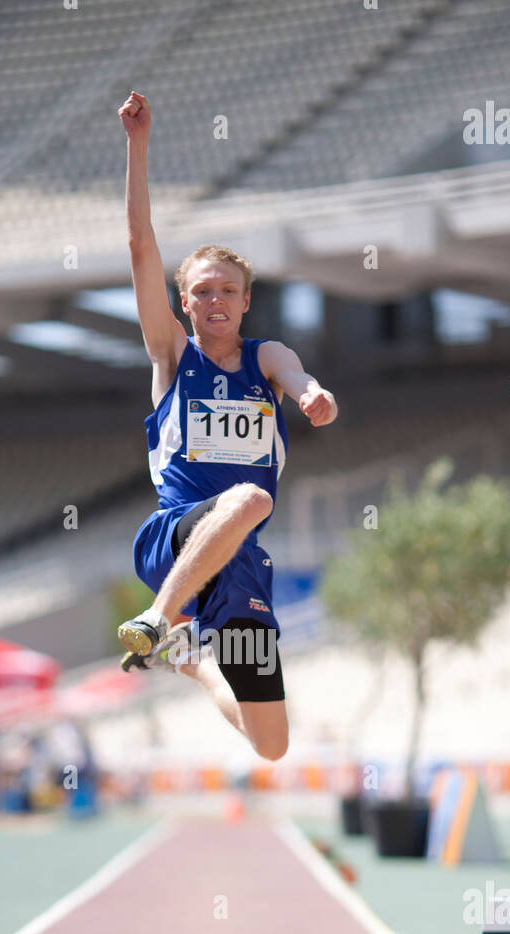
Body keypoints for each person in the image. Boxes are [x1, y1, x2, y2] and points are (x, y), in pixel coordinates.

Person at [116, 91, 338, 762]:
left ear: (245, 302)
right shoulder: (172, 354)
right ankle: (160, 618)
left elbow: (297, 376)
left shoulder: (265, 357)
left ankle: (183, 656)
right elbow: (139, 247)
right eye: (202, 290)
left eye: (227, 291)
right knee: (251, 497)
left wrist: (312, 394)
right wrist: (138, 145)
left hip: (237, 567)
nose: (215, 299)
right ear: (184, 302)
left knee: (270, 742)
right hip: (175, 539)